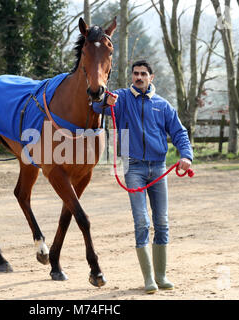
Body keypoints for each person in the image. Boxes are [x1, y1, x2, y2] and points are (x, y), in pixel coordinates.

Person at [93, 59, 193, 294]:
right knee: (141, 222)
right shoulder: (122, 98)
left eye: (143, 74)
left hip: (158, 167)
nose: (138, 77)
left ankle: (161, 276)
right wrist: (104, 102)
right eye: (135, 73)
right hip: (133, 167)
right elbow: (98, 107)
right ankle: (148, 278)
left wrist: (186, 155)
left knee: (162, 222)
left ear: (151, 77)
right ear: (132, 76)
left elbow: (179, 132)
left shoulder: (163, 105)